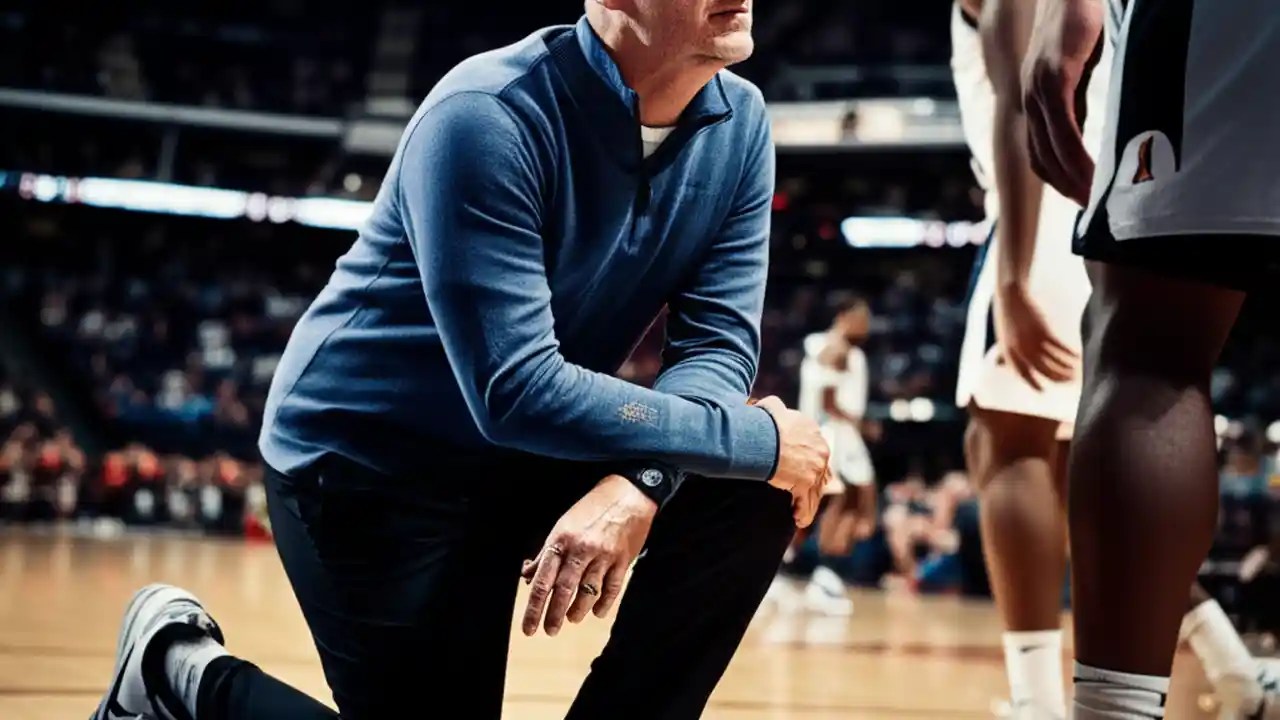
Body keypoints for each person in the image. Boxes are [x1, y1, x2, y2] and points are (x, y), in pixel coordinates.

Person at [91, 3, 832, 720]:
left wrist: (644, 480)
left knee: (750, 486)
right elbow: (516, 388)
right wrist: (756, 440)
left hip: (525, 449)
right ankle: (173, 670)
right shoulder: (484, 114)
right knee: (757, 452)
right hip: (372, 461)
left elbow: (716, 347)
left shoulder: (741, 123)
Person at [959, 0, 1279, 716]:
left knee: (1038, 428)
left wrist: (1010, 277)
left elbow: (1016, 104)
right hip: (1083, 185)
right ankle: (1232, 669)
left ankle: (1047, 703)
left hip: (1057, 201)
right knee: (1086, 475)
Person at [764, 297, 878, 616]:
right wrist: (862, 425)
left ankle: (782, 573)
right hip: (835, 434)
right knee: (842, 502)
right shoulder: (834, 348)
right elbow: (829, 401)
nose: (866, 326)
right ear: (843, 316)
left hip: (829, 433)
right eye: (861, 318)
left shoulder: (827, 347)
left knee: (815, 509)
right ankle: (823, 576)